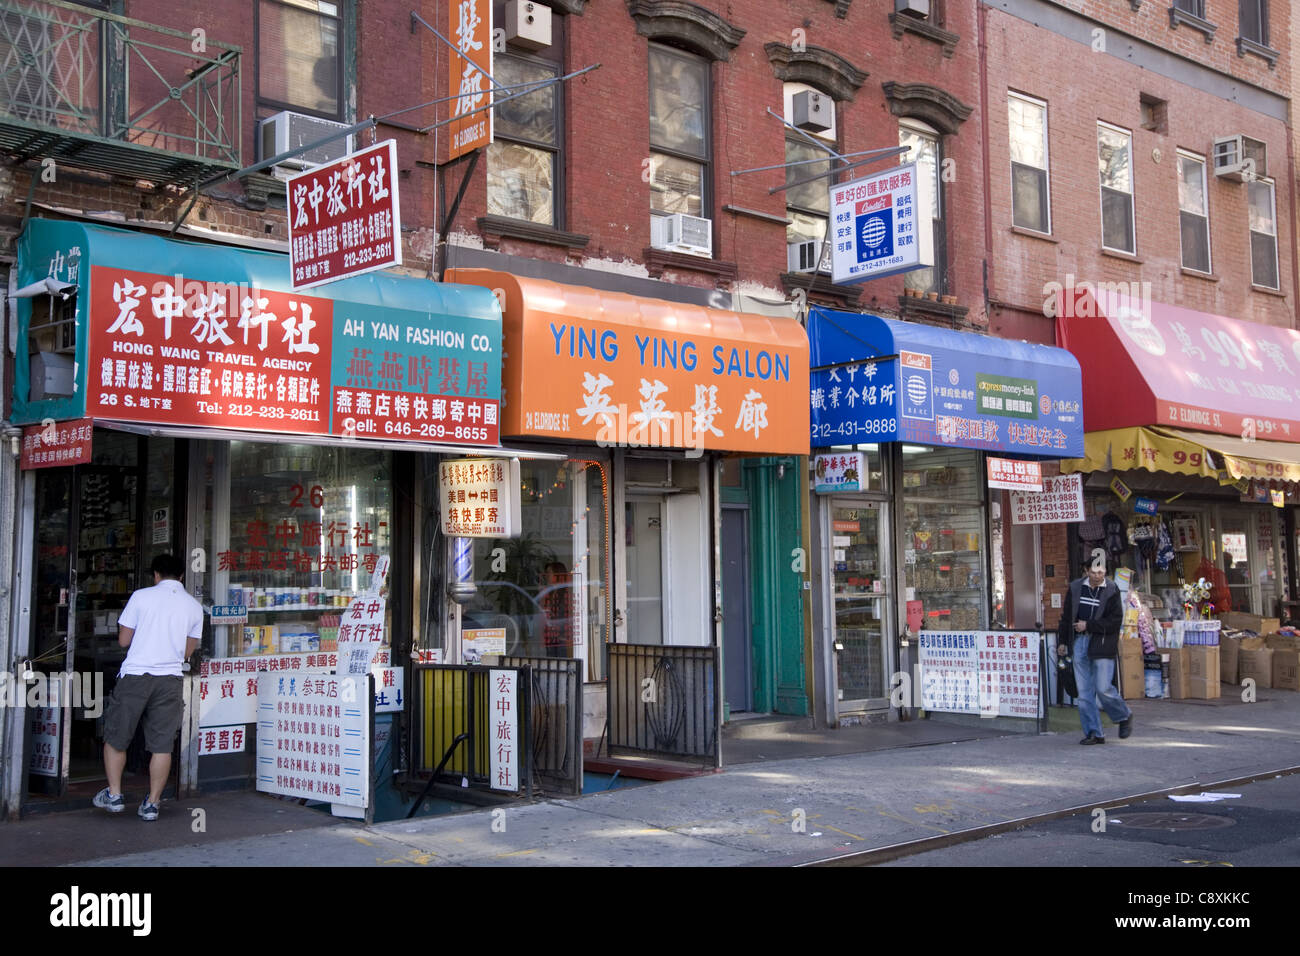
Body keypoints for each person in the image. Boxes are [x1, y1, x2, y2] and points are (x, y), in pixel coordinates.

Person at [93, 553, 203, 820]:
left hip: (136, 676)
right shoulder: (193, 606)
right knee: (162, 744)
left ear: (155, 575)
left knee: (116, 737)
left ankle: (115, 795)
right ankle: (152, 804)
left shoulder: (141, 597)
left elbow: (123, 640)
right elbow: (188, 650)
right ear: (181, 576)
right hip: (170, 680)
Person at [1057, 553, 1132, 745]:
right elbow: (1066, 617)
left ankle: (1123, 715)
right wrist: (1063, 641)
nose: (1098, 575)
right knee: (1084, 693)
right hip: (1080, 642)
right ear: (1086, 571)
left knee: (1103, 687)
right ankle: (1094, 733)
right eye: (1094, 572)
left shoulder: (1112, 590)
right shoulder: (1075, 588)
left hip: (1102, 642)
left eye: (1101, 572)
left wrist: (1089, 625)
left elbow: (1115, 622)